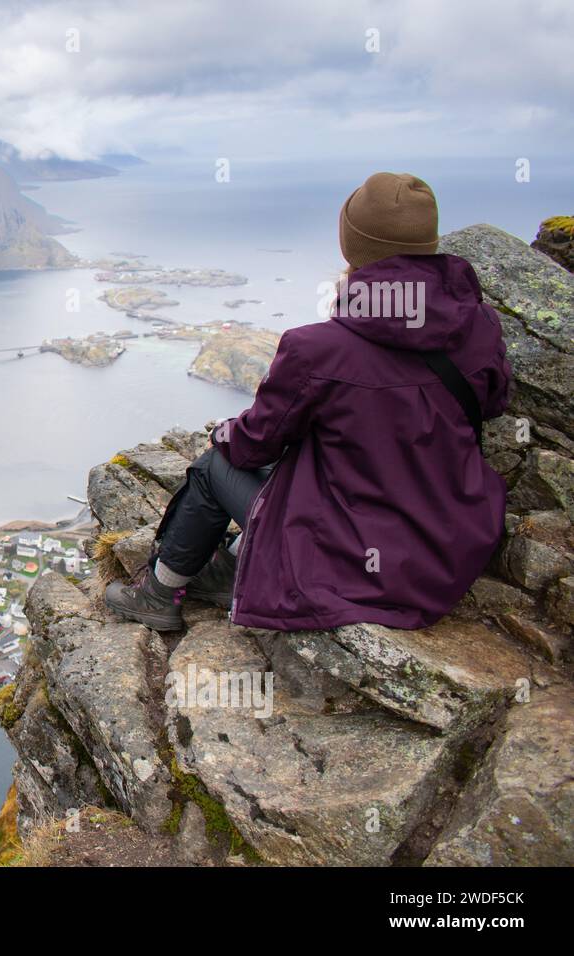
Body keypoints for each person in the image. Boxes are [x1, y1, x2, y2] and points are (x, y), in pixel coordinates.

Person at [106, 172, 512, 632]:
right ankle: (228, 569)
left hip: (351, 558)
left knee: (213, 467)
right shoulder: (480, 325)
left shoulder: (317, 349)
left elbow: (253, 446)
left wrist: (224, 432)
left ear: (353, 248)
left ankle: (159, 594)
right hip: (447, 548)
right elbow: (493, 402)